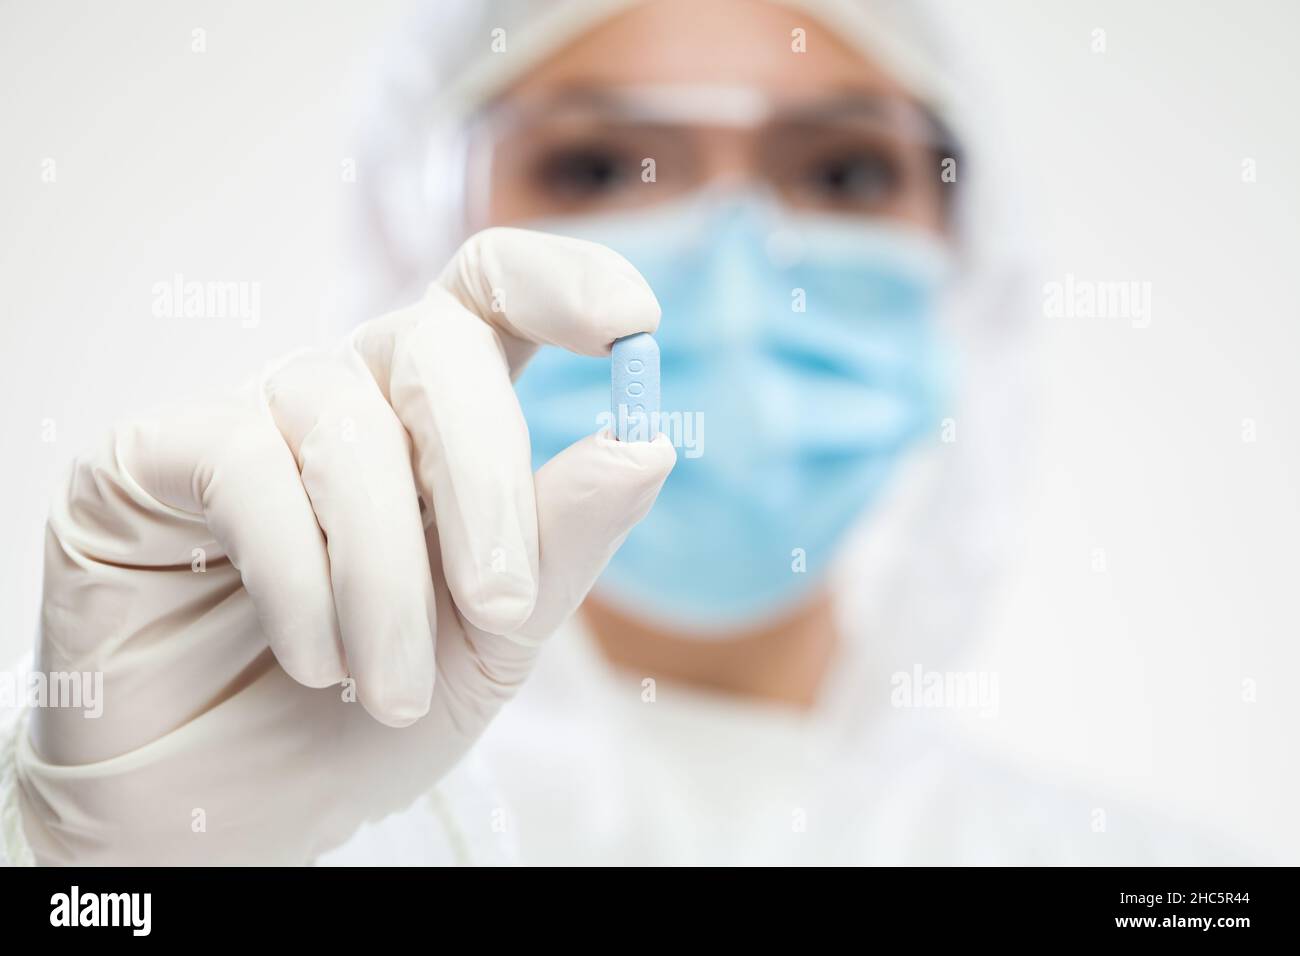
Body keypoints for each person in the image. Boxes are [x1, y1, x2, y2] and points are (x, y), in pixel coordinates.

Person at [0, 0, 1226, 866]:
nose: (736, 273)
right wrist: (104, 888)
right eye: (598, 164)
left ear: (972, 267)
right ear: (411, 238)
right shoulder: (261, 819)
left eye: (844, 173)